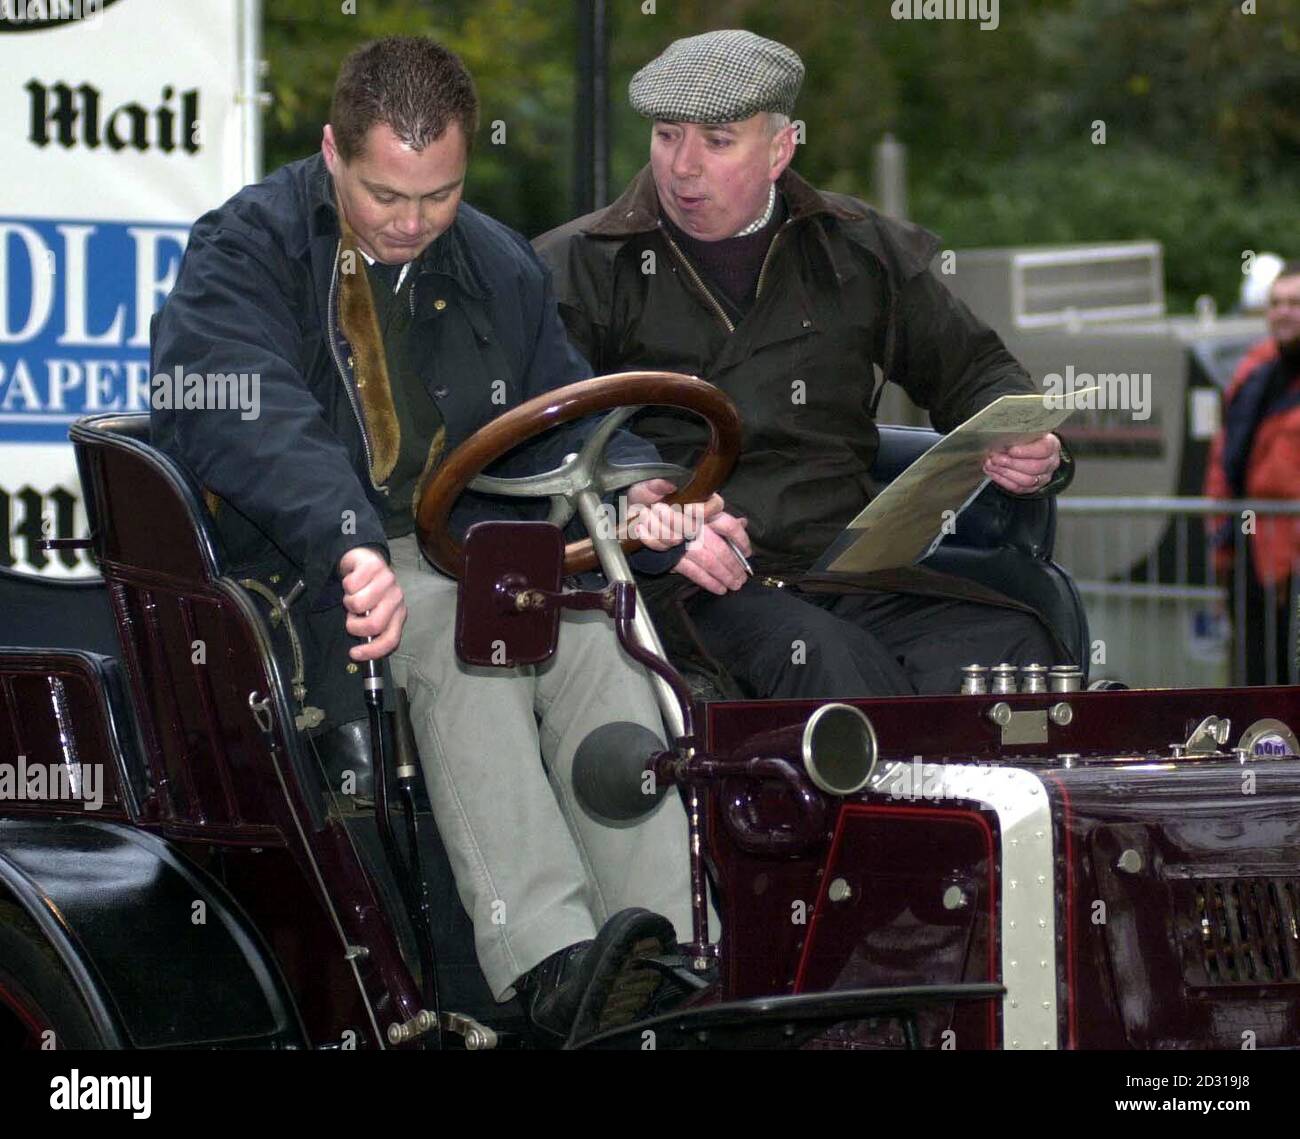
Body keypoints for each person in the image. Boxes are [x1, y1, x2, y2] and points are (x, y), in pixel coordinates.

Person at [150, 36, 707, 1047]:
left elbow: (564, 410)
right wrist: (349, 541)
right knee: (470, 632)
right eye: (385, 196)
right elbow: (248, 414)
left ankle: (662, 952)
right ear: (331, 150)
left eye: (439, 196)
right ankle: (546, 959)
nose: (412, 223)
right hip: (307, 566)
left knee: (593, 638)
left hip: (470, 549)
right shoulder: (245, 249)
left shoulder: (494, 260)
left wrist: (643, 492)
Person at [535, 29, 1074, 700]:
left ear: (780, 150)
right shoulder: (581, 267)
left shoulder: (856, 251)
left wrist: (1028, 441)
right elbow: (545, 435)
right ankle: (908, 807)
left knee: (1018, 646)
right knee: (827, 661)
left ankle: (990, 809)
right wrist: (636, 505)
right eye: (668, 135)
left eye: (718, 140)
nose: (683, 167)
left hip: (843, 570)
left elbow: (974, 369)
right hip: (684, 579)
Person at [1205, 261, 1300, 685]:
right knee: (1256, 679)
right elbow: (1227, 466)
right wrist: (1222, 546)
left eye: (1295, 303)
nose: (1283, 311)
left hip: (1287, 551)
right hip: (1254, 548)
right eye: (1276, 302)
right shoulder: (1258, 378)